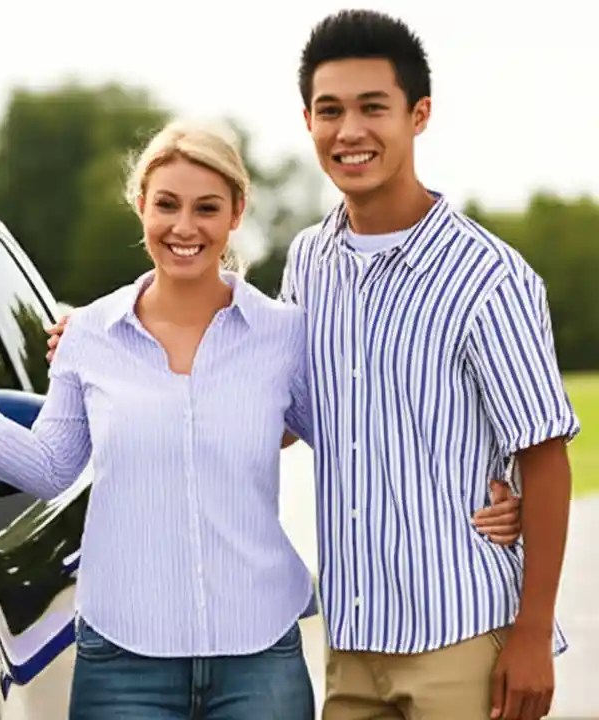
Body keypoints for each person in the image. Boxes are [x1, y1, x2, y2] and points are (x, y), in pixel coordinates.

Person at [41, 10, 574, 720]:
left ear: (419, 115)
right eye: (330, 111)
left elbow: (544, 456)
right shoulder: (311, 262)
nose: (349, 131)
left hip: (461, 629)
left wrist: (533, 633)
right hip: (352, 645)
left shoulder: (490, 277)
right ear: (308, 121)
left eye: (372, 108)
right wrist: (110, 346)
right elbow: (273, 406)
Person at [0, 119, 328, 718]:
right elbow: (53, 466)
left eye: (206, 208)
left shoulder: (284, 336)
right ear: (140, 205)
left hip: (260, 655)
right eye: (166, 204)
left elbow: (358, 439)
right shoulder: (88, 335)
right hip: (124, 665)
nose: (184, 227)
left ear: (237, 213)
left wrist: (487, 490)